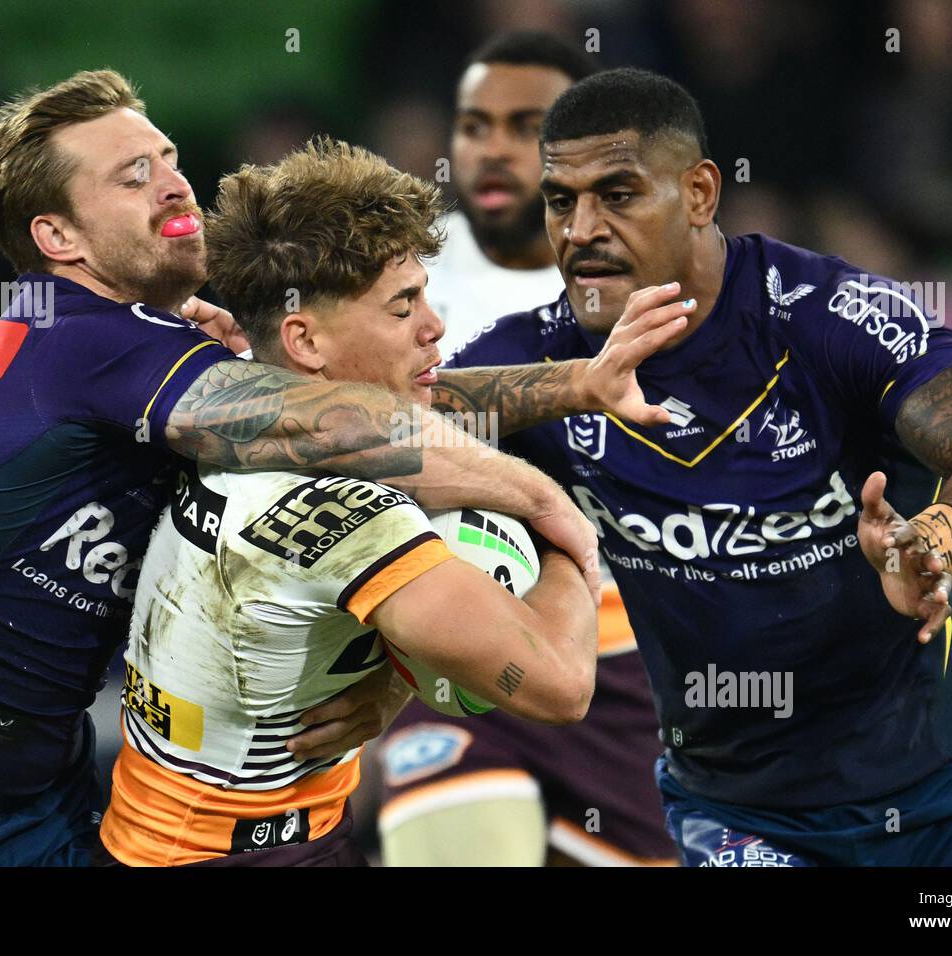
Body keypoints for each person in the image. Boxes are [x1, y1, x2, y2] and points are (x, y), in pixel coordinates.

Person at [0, 70, 686, 866]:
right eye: (130, 175)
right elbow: (341, 422)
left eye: (168, 156)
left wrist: (577, 381)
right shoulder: (72, 336)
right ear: (58, 237)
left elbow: (358, 403)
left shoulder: (155, 353)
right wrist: (542, 500)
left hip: (41, 798)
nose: (173, 183)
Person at [438, 67, 952, 866]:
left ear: (701, 193)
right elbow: (374, 431)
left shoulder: (828, 316)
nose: (581, 229)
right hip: (742, 819)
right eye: (562, 200)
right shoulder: (535, 364)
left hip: (947, 789)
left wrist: (936, 540)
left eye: (619, 194)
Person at [97, 138, 649, 866]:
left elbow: (420, 409)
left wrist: (579, 383)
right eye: (402, 308)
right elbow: (561, 684)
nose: (435, 327)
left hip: (157, 827)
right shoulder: (347, 518)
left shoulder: (222, 395)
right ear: (306, 339)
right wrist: (566, 545)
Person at [379, 33, 676, 867]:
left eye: (526, 125)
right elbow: (338, 429)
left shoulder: (646, 283)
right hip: (449, 629)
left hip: (618, 658)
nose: (495, 148)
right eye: (475, 125)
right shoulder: (396, 277)